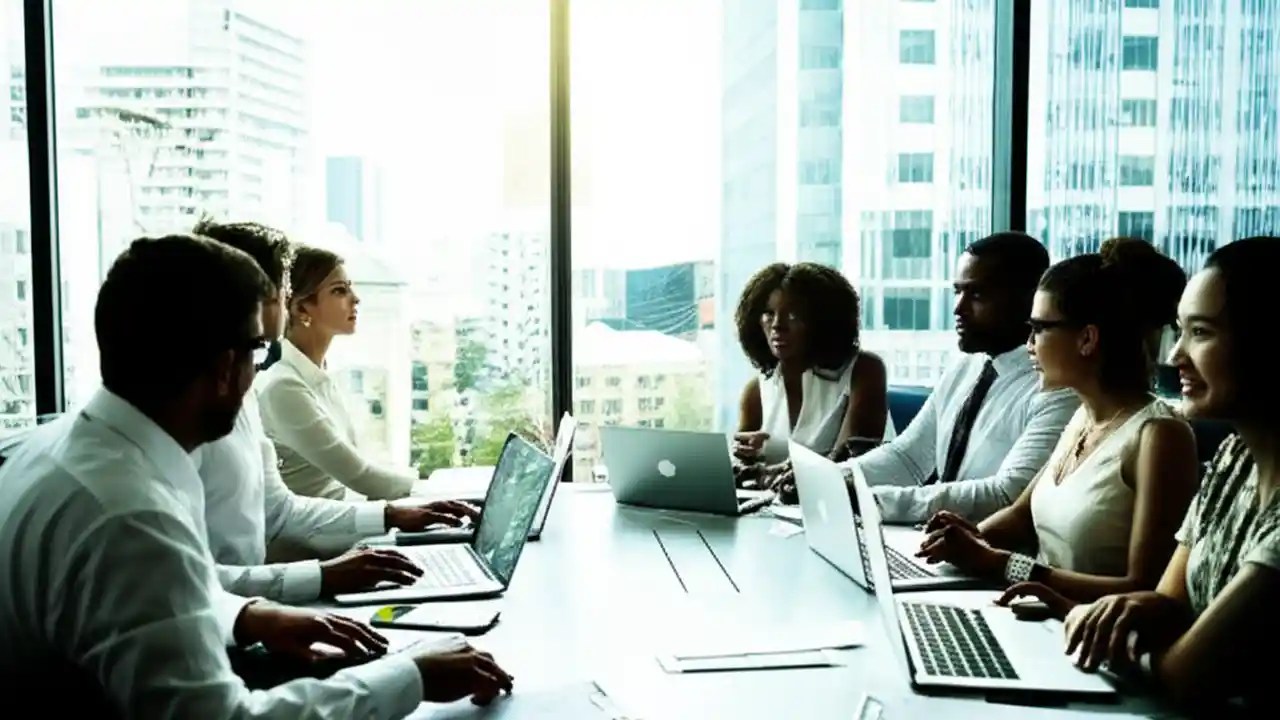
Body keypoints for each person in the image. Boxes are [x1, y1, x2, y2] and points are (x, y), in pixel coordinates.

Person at [0, 234, 511, 716]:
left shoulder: (57, 450)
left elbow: (148, 600)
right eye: (258, 350)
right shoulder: (132, 516)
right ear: (226, 367)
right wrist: (411, 677)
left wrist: (244, 617)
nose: (259, 372)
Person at [996, 237, 1280, 712]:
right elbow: (1165, 602)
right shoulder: (1235, 458)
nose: (1175, 357)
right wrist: (1081, 613)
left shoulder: (1162, 432)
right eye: (1180, 332)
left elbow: (1181, 674)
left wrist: (1020, 573)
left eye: (1202, 333)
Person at [192, 219, 477, 601]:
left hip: (269, 590)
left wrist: (391, 515)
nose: (286, 301)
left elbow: (279, 512)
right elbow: (191, 585)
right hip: (265, 591)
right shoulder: (253, 393)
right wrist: (322, 577)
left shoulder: (245, 393)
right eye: (284, 288)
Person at [916, 238, 1197, 603]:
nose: (1029, 343)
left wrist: (1003, 564)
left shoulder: (1160, 435)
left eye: (1040, 329)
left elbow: (1144, 589)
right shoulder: (1083, 416)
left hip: (1091, 644)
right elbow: (1019, 517)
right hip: (1036, 616)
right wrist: (968, 539)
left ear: (1087, 338)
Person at [845, 231, 1079, 523]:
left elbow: (1006, 496)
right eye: (958, 292)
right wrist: (835, 479)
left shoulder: (1058, 388)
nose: (958, 308)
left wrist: (869, 501)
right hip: (942, 544)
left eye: (977, 294)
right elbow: (909, 457)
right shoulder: (965, 367)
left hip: (989, 556)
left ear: (1028, 299)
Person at [257, 245, 417, 500]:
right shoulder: (283, 386)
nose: (355, 298)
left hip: (347, 520)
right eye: (339, 291)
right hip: (317, 534)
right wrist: (434, 491)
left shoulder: (320, 376)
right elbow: (362, 476)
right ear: (301, 309)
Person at [731, 262, 890, 496]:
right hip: (775, 518)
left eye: (793, 315)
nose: (777, 325)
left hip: (851, 513)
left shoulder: (864, 371)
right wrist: (742, 461)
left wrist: (766, 474)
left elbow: (847, 462)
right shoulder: (756, 392)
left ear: (823, 321)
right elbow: (743, 470)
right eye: (769, 313)